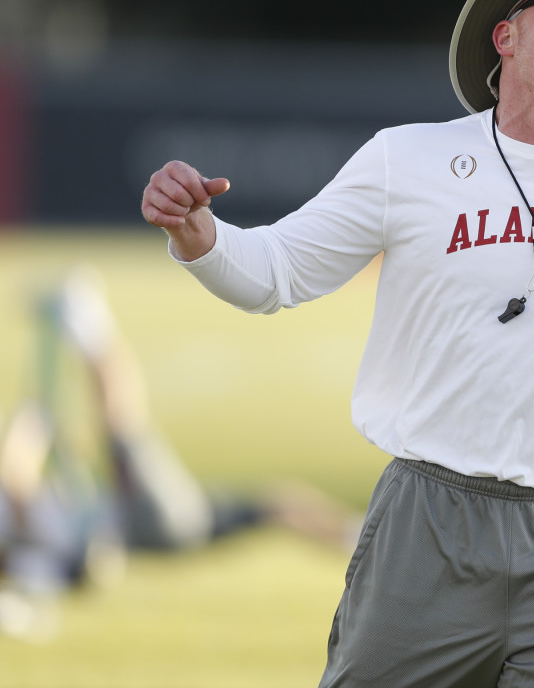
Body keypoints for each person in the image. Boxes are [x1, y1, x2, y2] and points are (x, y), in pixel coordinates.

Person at [140, 0, 534, 686]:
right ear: (505, 36)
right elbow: (276, 273)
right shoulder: (406, 159)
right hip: (428, 526)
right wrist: (198, 234)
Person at [0, 268, 360, 639]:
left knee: (275, 504)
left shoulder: (33, 556)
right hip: (146, 518)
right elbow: (20, 489)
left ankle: (360, 540)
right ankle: (86, 318)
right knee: (120, 426)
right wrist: (29, 432)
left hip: (165, 523)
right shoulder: (26, 543)